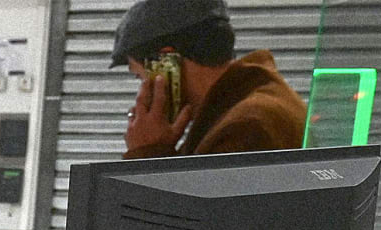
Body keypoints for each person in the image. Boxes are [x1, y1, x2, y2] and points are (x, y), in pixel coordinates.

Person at [111, 0, 304, 158]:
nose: (142, 90)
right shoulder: (245, 104)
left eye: (140, 76)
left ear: (166, 63)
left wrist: (147, 152)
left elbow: (179, 205)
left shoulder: (243, 129)